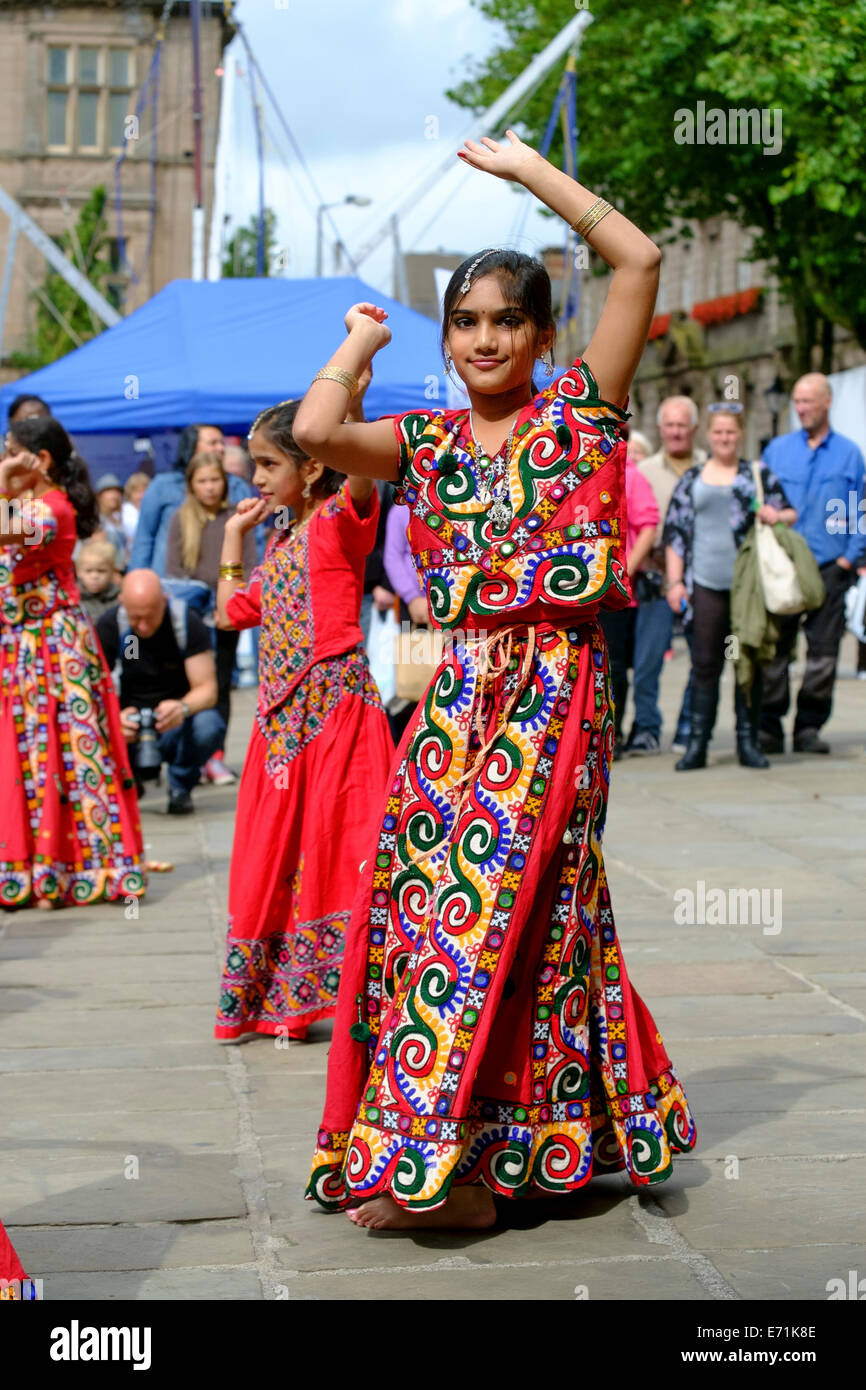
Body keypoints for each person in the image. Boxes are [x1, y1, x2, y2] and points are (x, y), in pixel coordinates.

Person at [293, 128, 697, 1231]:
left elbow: (641, 261)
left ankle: (459, 1176)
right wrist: (361, 344)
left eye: (505, 319)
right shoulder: (424, 441)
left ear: (540, 331)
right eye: (464, 322)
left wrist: (528, 176)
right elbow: (315, 431)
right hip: (453, 692)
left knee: (498, 906)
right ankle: (523, 1138)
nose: (483, 338)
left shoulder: (581, 414)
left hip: (554, 692)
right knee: (434, 906)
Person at [212, 381, 394, 1043]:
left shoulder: (341, 520)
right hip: (280, 726)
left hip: (337, 713)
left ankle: (350, 995)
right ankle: (281, 998)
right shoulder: (281, 541)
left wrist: (353, 403)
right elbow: (233, 612)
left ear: (312, 465)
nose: (255, 476)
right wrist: (234, 537)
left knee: (340, 848)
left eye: (268, 464)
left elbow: (368, 471)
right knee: (277, 853)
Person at [0, 416, 145, 908]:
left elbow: (4, 534)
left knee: (61, 753)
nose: (3, 458)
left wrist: (3, 486)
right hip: (26, 646)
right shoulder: (33, 503)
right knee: (34, 754)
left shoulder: (52, 508)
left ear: (38, 461)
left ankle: (73, 868)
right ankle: (40, 868)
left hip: (52, 650)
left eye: (9, 451)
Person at [664, 409, 796, 770]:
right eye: (718, 432)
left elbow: (790, 514)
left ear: (740, 435)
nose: (724, 438)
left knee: (747, 663)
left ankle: (748, 743)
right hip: (704, 584)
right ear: (708, 436)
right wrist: (674, 583)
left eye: (730, 432)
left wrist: (775, 514)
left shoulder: (757, 475)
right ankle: (697, 744)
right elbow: (675, 533)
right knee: (705, 665)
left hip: (748, 587)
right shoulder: (693, 477)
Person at [758, 373, 866, 754]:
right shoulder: (776, 452)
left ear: (827, 403)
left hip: (828, 568)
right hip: (783, 566)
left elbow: (861, 511)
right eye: (797, 402)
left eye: (808, 401)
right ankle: (769, 726)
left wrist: (848, 560)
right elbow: (760, 502)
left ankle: (808, 728)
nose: (801, 408)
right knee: (775, 651)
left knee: (823, 655)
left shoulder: (850, 454)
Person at [95, 570, 223, 815]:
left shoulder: (185, 621)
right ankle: (129, 780)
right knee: (95, 726)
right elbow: (94, 691)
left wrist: (182, 708)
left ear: (163, 601)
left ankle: (181, 785)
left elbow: (208, 690)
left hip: (174, 721)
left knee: (209, 725)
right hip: (130, 724)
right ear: (123, 603)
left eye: (149, 617)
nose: (142, 626)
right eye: (135, 618)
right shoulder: (112, 626)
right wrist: (114, 719)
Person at [165, 451, 257, 784]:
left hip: (226, 611)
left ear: (225, 482)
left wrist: (229, 603)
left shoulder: (235, 518)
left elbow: (248, 563)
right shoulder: (181, 518)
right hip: (191, 616)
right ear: (191, 484)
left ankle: (215, 755)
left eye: (214, 480)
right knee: (194, 684)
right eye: (202, 481)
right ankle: (189, 752)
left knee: (221, 684)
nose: (209, 488)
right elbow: (173, 571)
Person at [631, 396, 708, 754]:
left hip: (701, 578)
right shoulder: (644, 471)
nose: (676, 432)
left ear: (694, 429)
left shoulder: (710, 467)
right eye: (670, 425)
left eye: (683, 426)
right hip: (656, 579)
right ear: (661, 429)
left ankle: (690, 725)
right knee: (648, 662)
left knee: (704, 658)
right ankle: (647, 726)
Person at [598, 436, 660, 756]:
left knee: (615, 664)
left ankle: (616, 733)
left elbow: (648, 526)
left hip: (616, 594)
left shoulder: (629, 474)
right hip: (583, 592)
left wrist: (623, 572)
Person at [129, 424, 254, 578]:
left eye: (222, 443)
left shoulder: (237, 486)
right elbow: (144, 538)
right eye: (213, 443)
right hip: (174, 586)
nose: (221, 448)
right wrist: (137, 581)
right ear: (192, 446)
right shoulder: (163, 486)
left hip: (227, 584)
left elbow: (255, 542)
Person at [76, 536, 121, 622]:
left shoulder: (118, 599)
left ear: (112, 571)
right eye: (88, 571)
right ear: (78, 572)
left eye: (101, 571)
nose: (95, 576)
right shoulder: (74, 600)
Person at [93, 472, 128, 571]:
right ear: (99, 496)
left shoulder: (118, 521)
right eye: (109, 491)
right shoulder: (95, 521)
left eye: (117, 491)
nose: (115, 496)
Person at [121, 471, 151, 550]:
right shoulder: (123, 512)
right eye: (137, 492)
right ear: (130, 493)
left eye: (145, 491)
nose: (141, 496)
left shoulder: (153, 512)